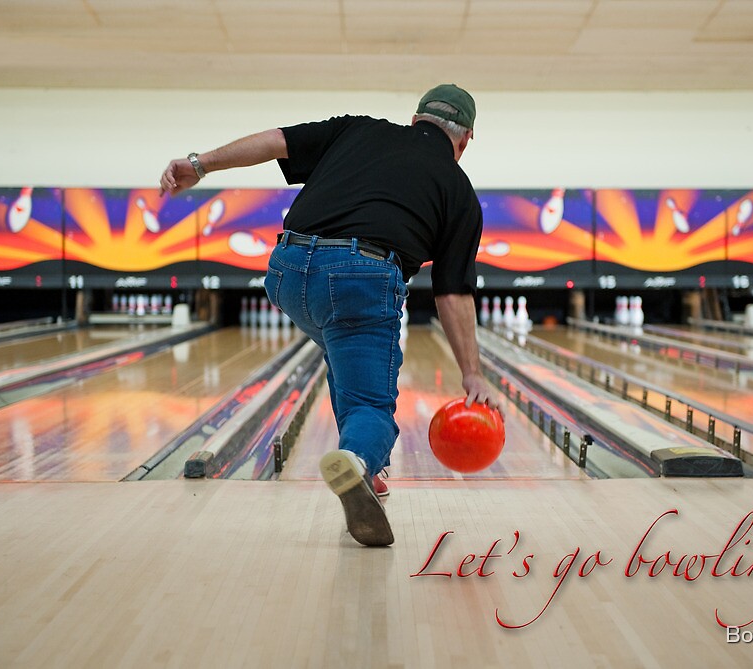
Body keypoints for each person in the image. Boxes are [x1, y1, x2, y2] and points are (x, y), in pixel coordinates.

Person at [159, 84, 500, 547]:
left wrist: (198, 165)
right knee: (371, 405)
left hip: (286, 272)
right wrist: (472, 373)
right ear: (466, 139)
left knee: (345, 356)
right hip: (360, 280)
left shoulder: (358, 130)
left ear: (417, 117)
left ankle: (370, 474)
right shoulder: (458, 190)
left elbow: (277, 140)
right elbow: (453, 294)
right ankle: (360, 460)